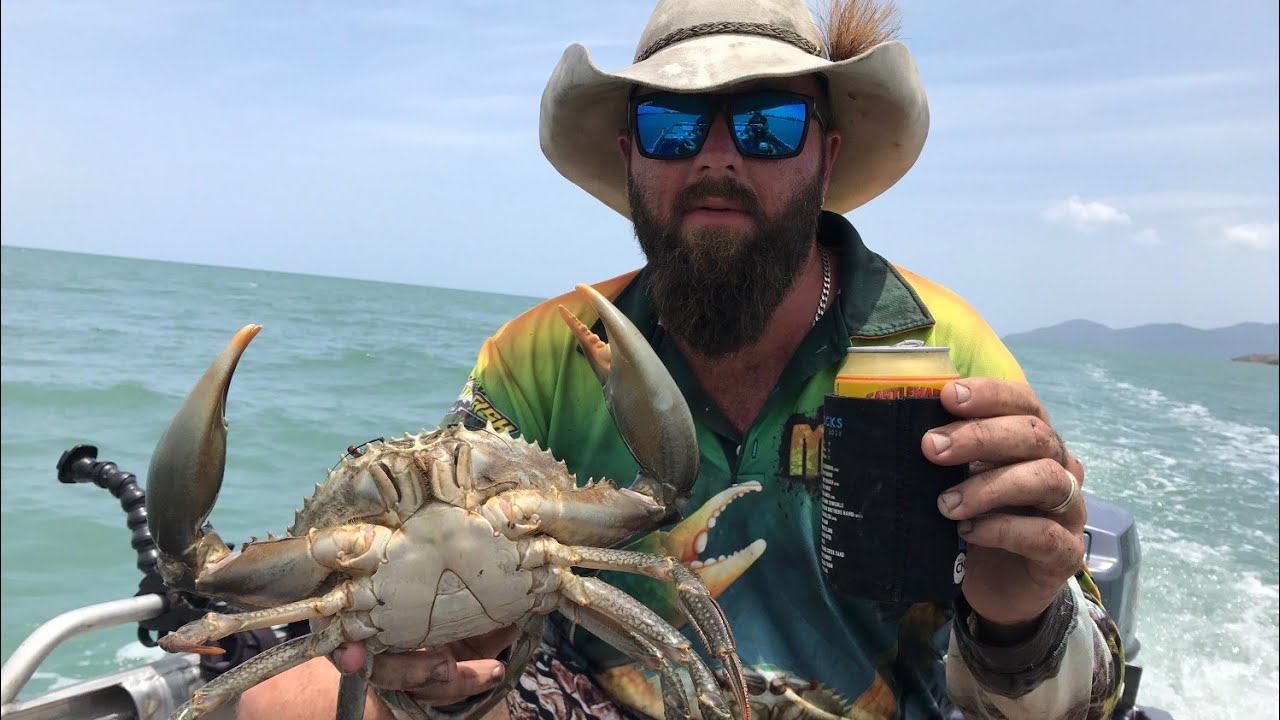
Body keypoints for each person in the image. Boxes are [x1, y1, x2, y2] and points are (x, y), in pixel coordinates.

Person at [240, 0, 1126, 718]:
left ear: (827, 151)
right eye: (672, 126)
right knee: (286, 698)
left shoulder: (941, 354)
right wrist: (443, 659)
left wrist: (1023, 616)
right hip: (594, 697)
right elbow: (453, 605)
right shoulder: (541, 359)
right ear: (631, 156)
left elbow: (1080, 702)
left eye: (768, 124)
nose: (716, 158)